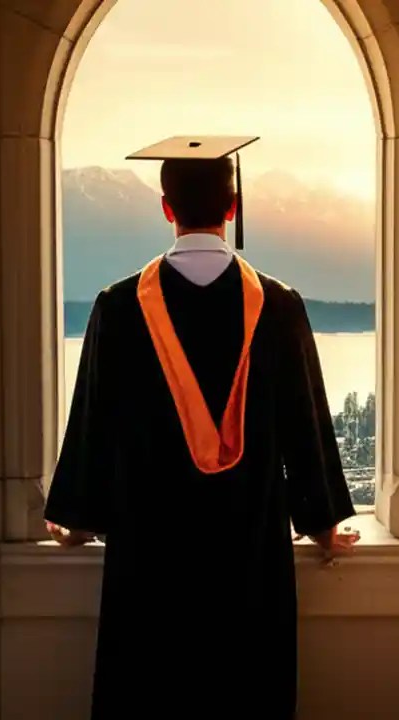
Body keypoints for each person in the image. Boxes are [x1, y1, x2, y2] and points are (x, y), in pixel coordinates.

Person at [44, 135, 358, 719]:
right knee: (246, 694)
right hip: (251, 550)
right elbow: (305, 424)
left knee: (150, 693)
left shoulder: (117, 307)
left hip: (150, 553)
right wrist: (319, 523)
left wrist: (81, 519)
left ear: (166, 208)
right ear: (232, 208)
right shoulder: (280, 305)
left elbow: (94, 421)